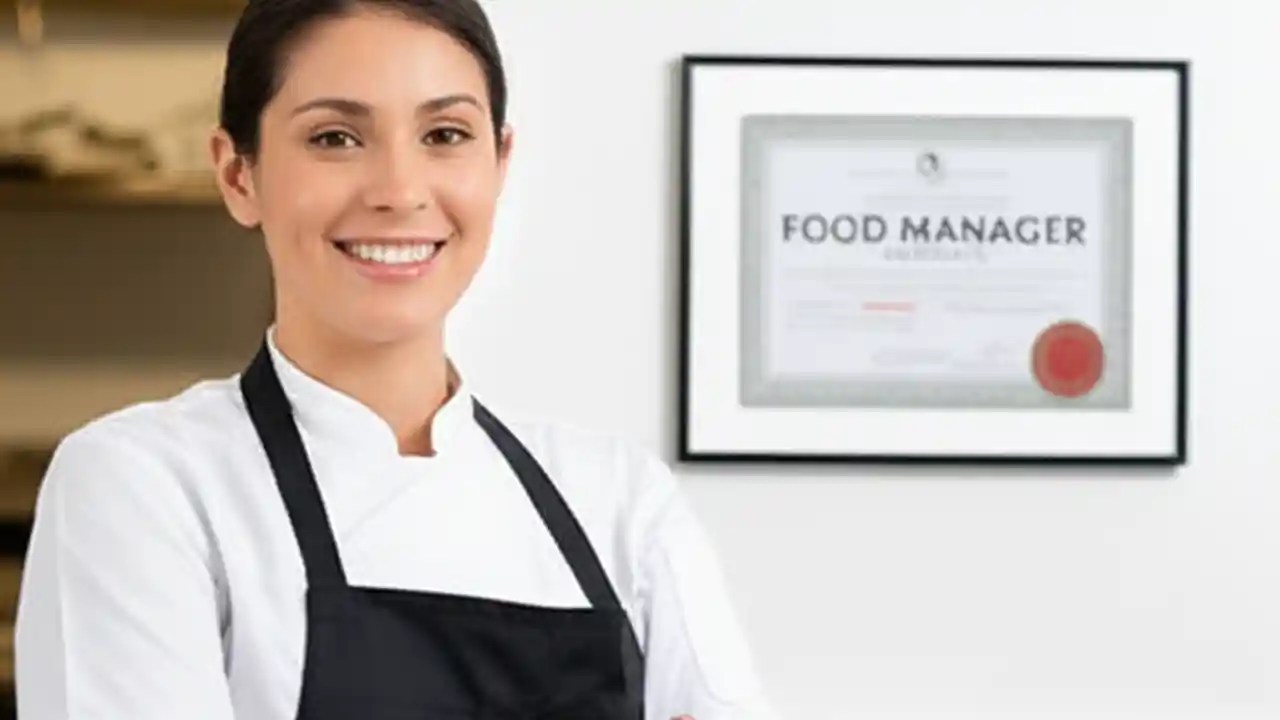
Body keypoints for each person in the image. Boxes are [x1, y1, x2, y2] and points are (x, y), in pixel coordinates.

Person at [13, 1, 776, 718]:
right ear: (237, 173)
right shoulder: (144, 486)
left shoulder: (618, 502)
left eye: (445, 135)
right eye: (335, 138)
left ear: (500, 164)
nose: (400, 191)